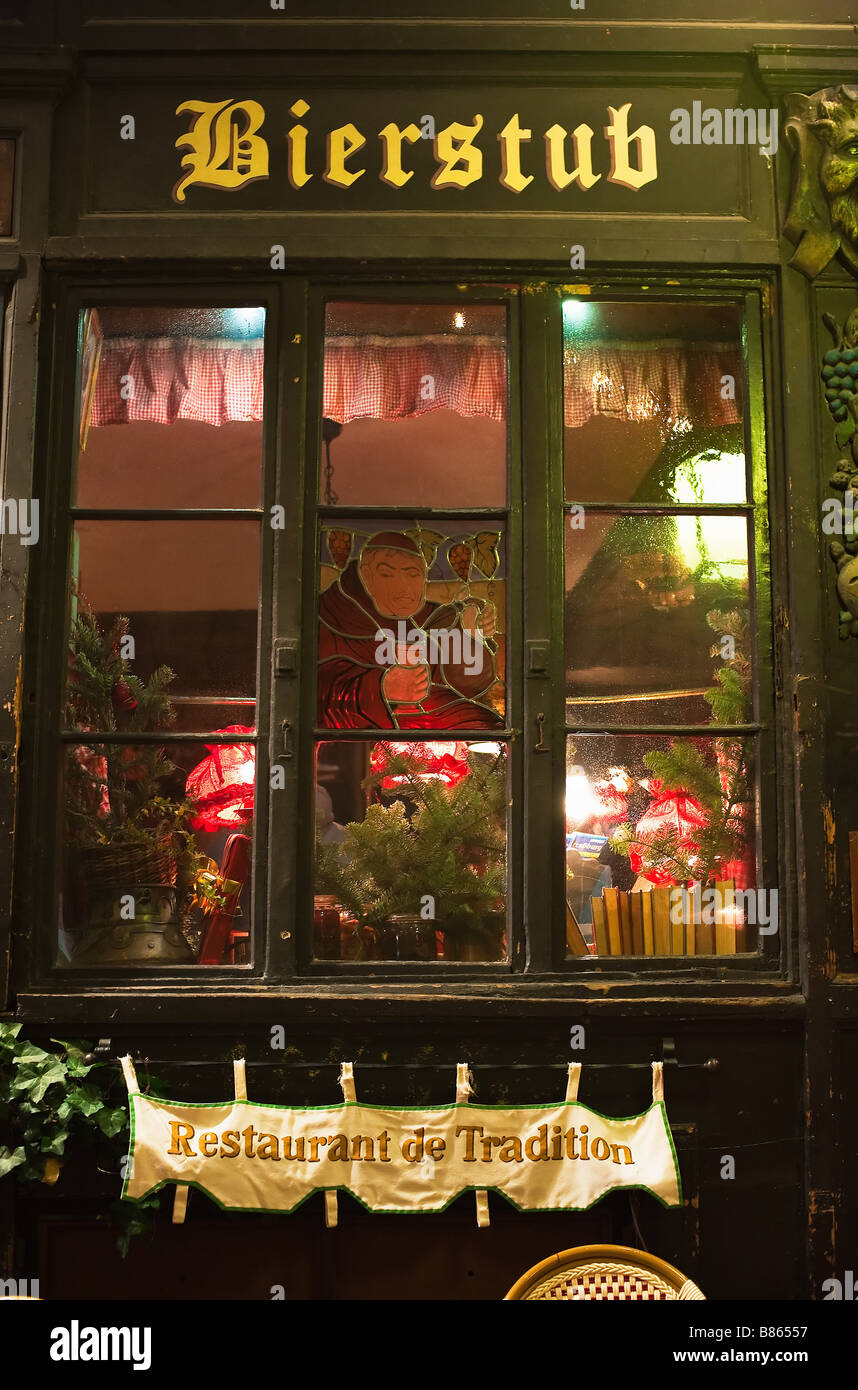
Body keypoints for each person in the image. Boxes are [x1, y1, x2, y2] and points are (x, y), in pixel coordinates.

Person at [317, 531, 503, 729]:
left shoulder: (432, 618)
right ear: (366, 574)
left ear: (424, 578)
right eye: (387, 574)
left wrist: (469, 635)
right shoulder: (332, 614)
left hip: (438, 726)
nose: (403, 587)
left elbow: (470, 687)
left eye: (412, 574)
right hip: (365, 740)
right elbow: (313, 695)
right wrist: (380, 689)